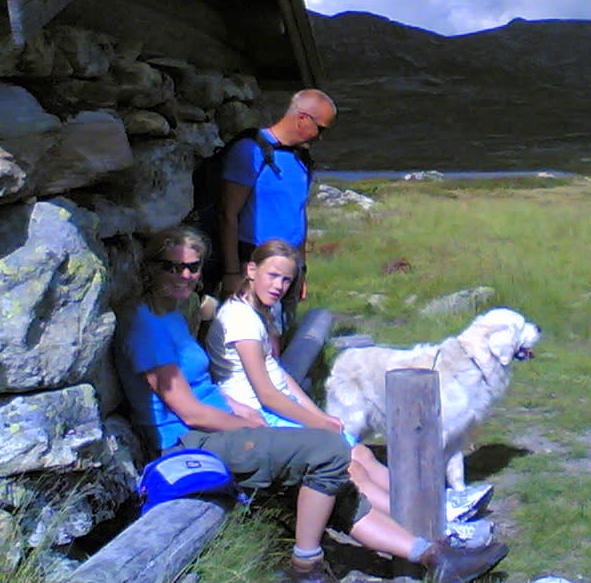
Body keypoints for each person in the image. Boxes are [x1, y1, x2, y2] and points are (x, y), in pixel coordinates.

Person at [115, 226, 507, 583]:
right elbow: (189, 411)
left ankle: (434, 556)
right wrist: (253, 426)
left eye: (193, 268)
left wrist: (239, 407)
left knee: (336, 483)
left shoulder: (170, 316)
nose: (185, 276)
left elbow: (207, 387)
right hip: (189, 442)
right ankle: (305, 564)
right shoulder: (144, 326)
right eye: (173, 267)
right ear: (150, 268)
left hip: (219, 427)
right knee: (327, 450)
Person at [205, 239, 393, 513]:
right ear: (251, 270)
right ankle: (422, 521)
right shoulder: (240, 320)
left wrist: (317, 414)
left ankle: (431, 509)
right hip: (259, 414)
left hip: (277, 406)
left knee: (361, 453)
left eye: (286, 280)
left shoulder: (257, 311)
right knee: (352, 465)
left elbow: (280, 374)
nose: (278, 286)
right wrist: (319, 423)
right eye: (272, 276)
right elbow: (267, 394)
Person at [217, 89, 336, 345]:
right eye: (321, 129)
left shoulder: (301, 158)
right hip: (254, 262)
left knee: (279, 337)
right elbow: (228, 213)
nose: (321, 138)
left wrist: (301, 269)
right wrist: (230, 272)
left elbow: (298, 213)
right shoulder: (250, 151)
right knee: (253, 340)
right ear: (303, 118)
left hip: (289, 265)